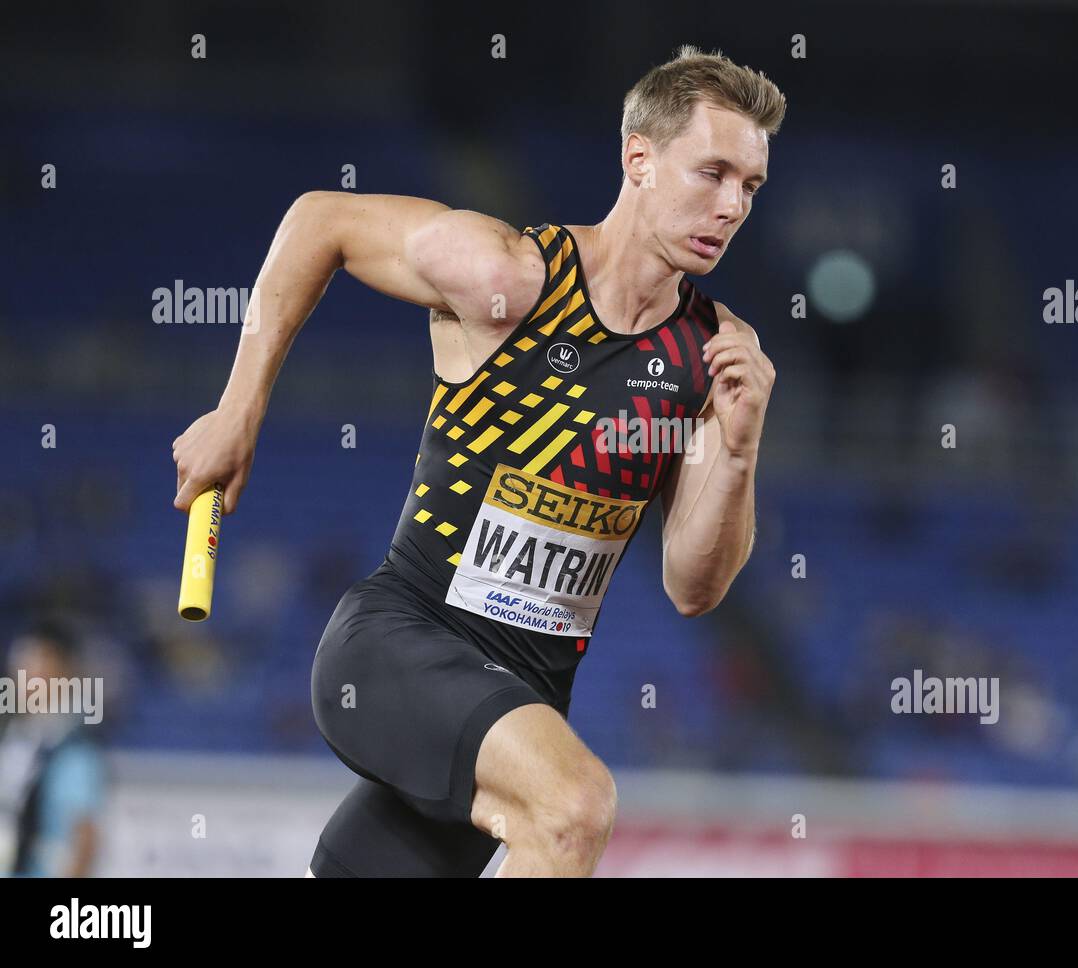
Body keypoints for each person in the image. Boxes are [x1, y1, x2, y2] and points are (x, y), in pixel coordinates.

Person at [171, 45, 784, 877]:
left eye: (750, 186)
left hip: (513, 705)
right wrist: (238, 409)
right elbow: (323, 219)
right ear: (639, 159)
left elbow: (691, 586)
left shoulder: (713, 357)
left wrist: (739, 451)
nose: (731, 205)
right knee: (575, 808)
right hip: (400, 647)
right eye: (712, 172)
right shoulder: (513, 276)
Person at [0, 622, 108, 877]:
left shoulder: (73, 750)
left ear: (62, 670)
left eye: (34, 664)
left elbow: (84, 840)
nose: (23, 673)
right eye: (20, 662)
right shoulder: (19, 737)